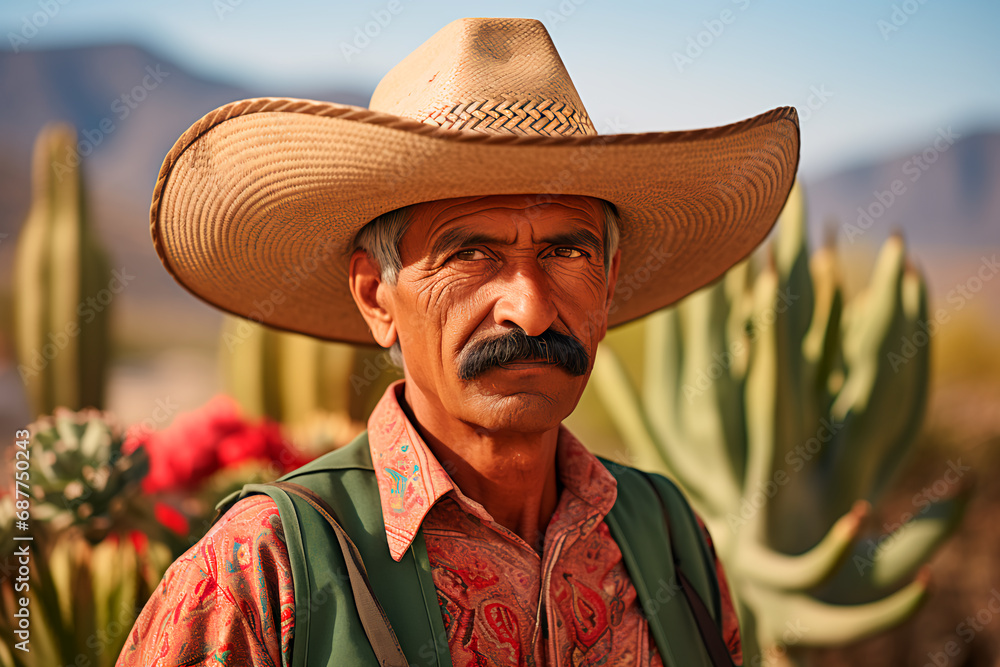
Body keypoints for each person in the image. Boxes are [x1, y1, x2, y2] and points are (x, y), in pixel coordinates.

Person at [119, 17, 798, 667]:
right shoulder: (262, 571)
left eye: (567, 251)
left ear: (611, 282)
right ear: (375, 296)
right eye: (472, 254)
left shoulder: (670, 537)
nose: (529, 311)